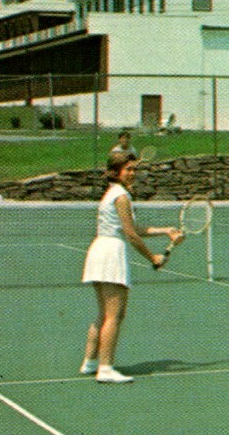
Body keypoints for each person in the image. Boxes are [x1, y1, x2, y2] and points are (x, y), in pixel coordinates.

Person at [78, 156, 183, 384]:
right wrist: (152, 257)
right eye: (128, 169)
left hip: (100, 250)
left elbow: (133, 228)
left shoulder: (113, 193)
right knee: (115, 315)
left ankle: (90, 362)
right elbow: (131, 234)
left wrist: (165, 231)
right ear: (116, 172)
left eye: (134, 169)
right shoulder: (122, 196)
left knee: (104, 314)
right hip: (110, 253)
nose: (132, 173)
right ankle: (105, 369)